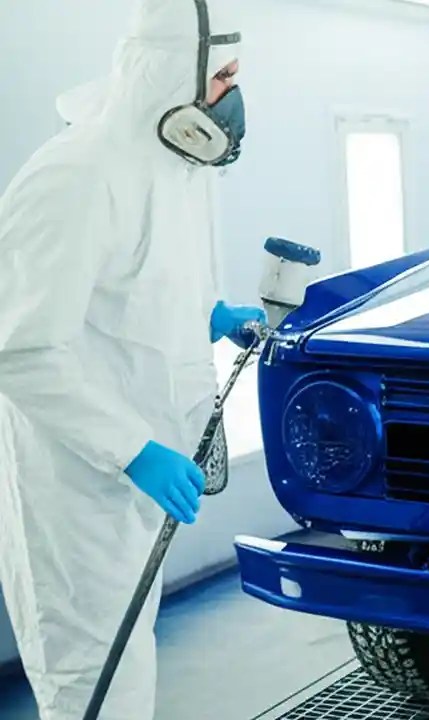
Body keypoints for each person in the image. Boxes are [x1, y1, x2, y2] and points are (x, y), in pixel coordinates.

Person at [0, 1, 263, 717]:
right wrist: (133, 448)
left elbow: (136, 288)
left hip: (134, 491)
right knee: (92, 690)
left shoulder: (174, 165)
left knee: (130, 679)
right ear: (177, 71)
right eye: (225, 75)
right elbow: (21, 347)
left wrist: (209, 316)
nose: (234, 95)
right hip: (76, 494)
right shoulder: (77, 174)